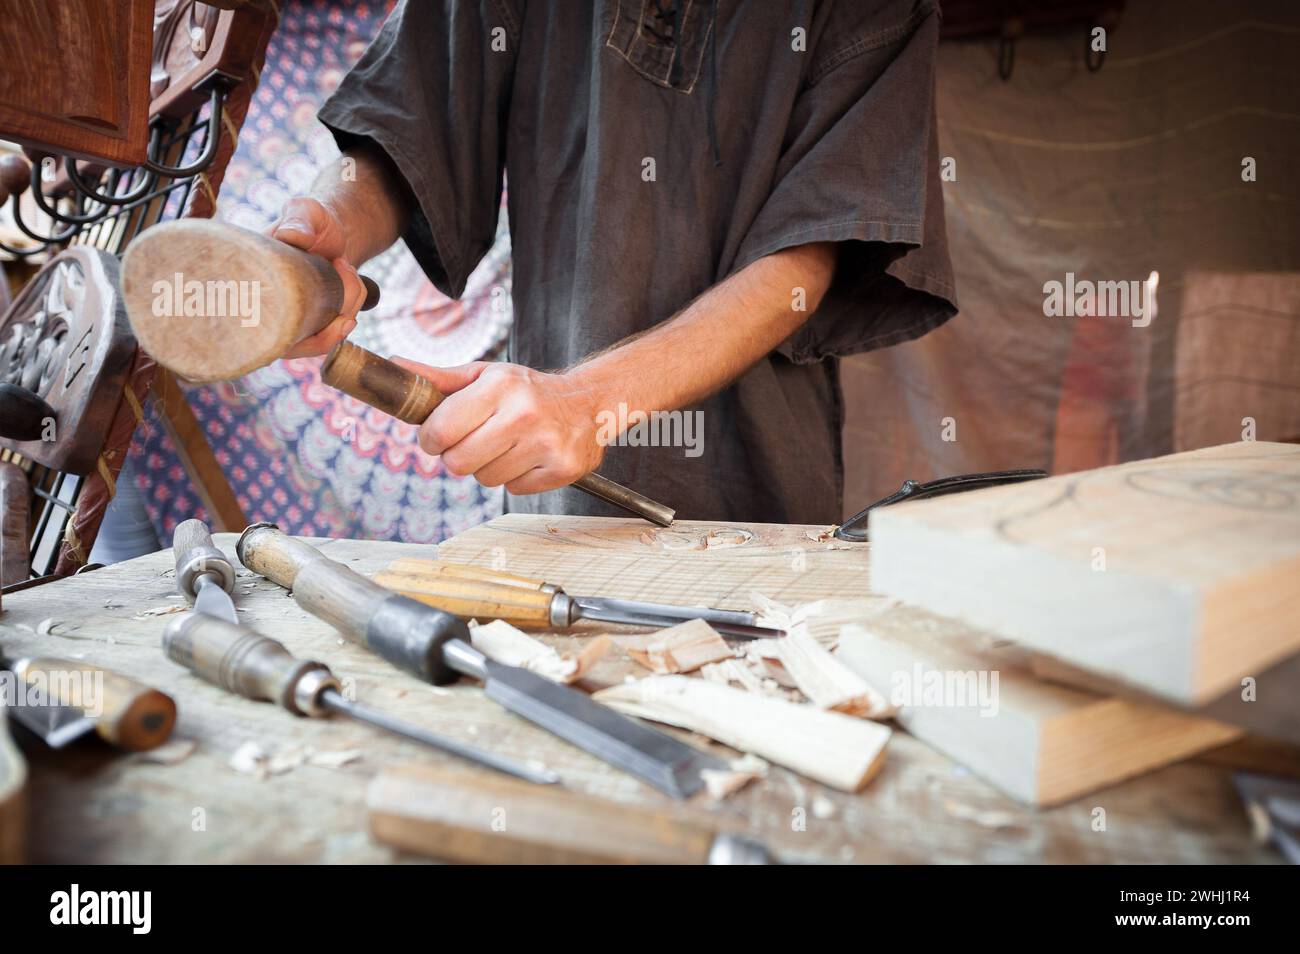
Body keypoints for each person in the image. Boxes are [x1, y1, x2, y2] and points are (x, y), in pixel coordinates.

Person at [268, 0, 957, 524]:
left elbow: (806, 261)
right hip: (551, 494)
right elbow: (402, 134)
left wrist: (587, 404)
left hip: (755, 493)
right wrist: (329, 223)